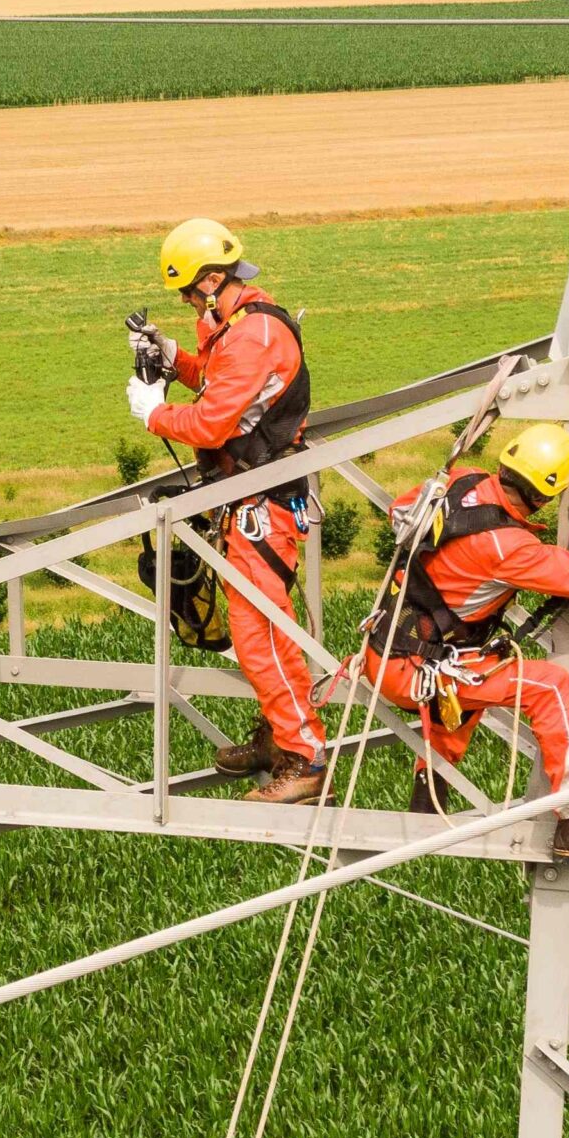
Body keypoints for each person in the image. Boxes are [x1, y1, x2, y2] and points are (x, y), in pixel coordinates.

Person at [361, 422, 569, 865]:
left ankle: (429, 797)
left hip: (392, 649)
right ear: (545, 496)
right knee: (551, 687)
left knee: (472, 679)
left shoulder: (464, 481)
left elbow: (401, 510)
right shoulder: (508, 547)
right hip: (416, 670)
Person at [128, 217, 328, 803]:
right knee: (263, 629)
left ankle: (304, 755)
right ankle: (281, 734)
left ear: (214, 279)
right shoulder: (236, 326)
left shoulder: (251, 336)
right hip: (251, 496)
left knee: (256, 632)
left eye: (191, 290)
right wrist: (173, 359)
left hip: (263, 500)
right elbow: (220, 385)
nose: (190, 300)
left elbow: (213, 420)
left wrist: (154, 414)